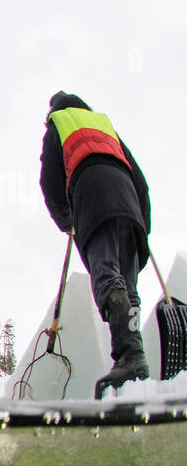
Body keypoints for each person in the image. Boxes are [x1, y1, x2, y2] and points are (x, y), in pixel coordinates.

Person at [39, 91, 152, 397]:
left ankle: (128, 357)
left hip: (93, 197)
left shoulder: (58, 124)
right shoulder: (103, 124)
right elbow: (140, 179)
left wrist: (68, 222)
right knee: (129, 287)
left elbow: (50, 182)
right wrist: (144, 224)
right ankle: (135, 355)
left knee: (106, 274)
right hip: (129, 202)